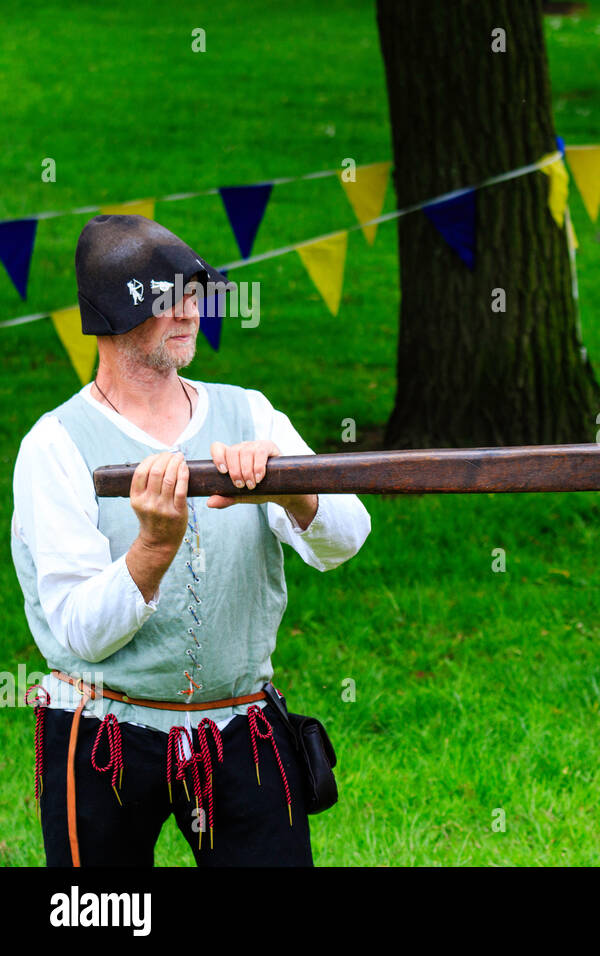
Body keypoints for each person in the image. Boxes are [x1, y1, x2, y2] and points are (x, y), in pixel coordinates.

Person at [10, 214, 371, 866]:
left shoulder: (250, 413)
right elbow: (78, 634)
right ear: (115, 315)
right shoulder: (55, 446)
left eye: (193, 295)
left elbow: (348, 539)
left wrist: (289, 489)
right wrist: (153, 548)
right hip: (104, 734)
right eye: (166, 300)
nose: (189, 312)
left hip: (240, 726)